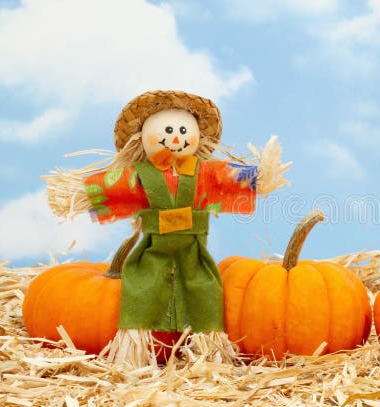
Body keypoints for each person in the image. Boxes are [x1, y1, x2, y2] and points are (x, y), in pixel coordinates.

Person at [44, 90, 289, 366]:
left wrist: (261, 176)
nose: (175, 137)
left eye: (183, 130)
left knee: (204, 289)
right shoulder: (140, 175)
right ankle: (134, 350)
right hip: (154, 248)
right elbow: (114, 185)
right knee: (141, 289)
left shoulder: (204, 173)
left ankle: (208, 352)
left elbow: (229, 179)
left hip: (193, 248)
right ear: (141, 138)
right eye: (169, 129)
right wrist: (78, 193)